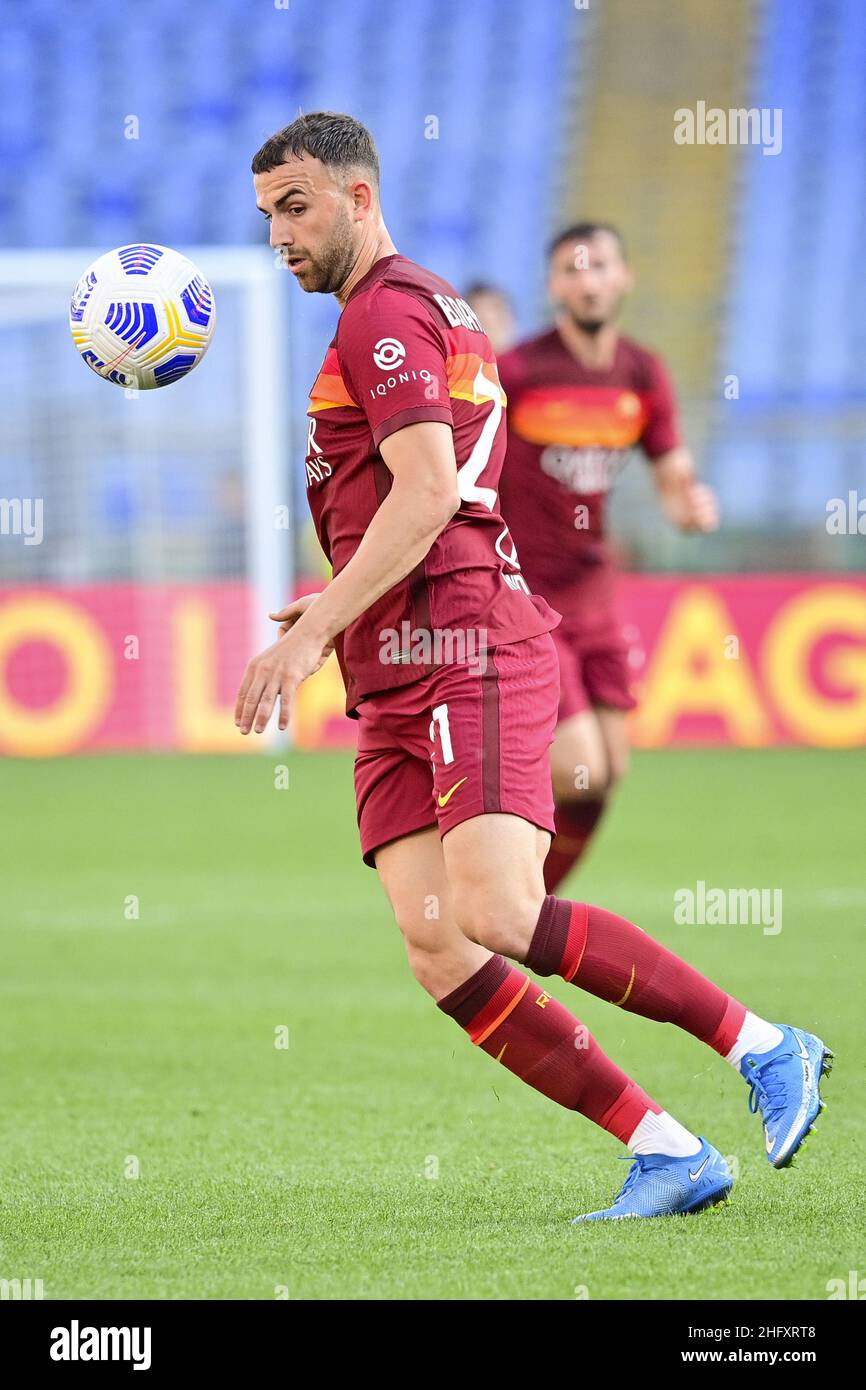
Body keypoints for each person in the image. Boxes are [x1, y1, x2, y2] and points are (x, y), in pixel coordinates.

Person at [235, 112, 831, 1221]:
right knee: (434, 941)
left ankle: (762, 1044)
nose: (277, 233)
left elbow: (422, 495)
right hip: (400, 659)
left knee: (502, 909)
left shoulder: (381, 316)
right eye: (265, 212)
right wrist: (341, 605)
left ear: (359, 198)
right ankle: (664, 1146)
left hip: (466, 644)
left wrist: (312, 631)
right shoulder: (422, 305)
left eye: (295, 206)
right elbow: (443, 489)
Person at [499, 223, 719, 892]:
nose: (588, 281)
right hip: (526, 594)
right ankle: (499, 888)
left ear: (623, 278)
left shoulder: (642, 373)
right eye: (573, 269)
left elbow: (672, 471)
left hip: (596, 591)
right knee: (577, 767)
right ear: (554, 286)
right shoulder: (516, 372)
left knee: (607, 774)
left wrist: (690, 506)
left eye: (600, 268)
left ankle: (526, 905)